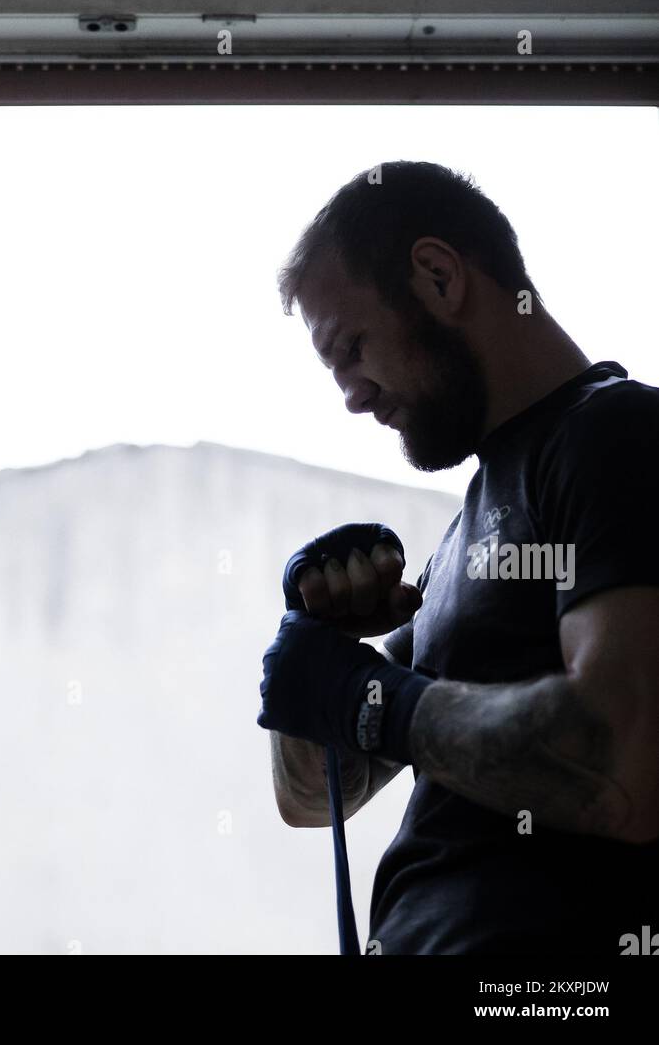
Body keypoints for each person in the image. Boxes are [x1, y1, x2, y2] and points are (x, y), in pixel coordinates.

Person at [258, 160, 659, 955]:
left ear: (439, 277)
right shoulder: (459, 540)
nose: (353, 397)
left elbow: (626, 762)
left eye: (352, 350)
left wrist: (378, 699)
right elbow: (317, 797)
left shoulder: (615, 436)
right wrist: (318, 653)